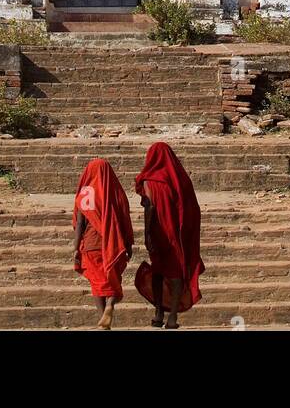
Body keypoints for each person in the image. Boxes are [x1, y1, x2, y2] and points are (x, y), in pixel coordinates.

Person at [135, 141, 204, 329]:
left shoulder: (149, 180)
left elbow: (150, 207)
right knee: (176, 272)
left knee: (158, 270)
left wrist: (147, 233)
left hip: (158, 232)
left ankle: (158, 312)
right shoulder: (179, 179)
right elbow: (192, 207)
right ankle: (172, 316)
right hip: (176, 233)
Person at [72, 157, 134, 329]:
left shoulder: (85, 193)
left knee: (96, 281)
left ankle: (102, 320)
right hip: (114, 243)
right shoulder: (116, 192)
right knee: (113, 278)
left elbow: (79, 223)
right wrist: (128, 243)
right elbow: (124, 219)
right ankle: (110, 304)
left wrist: (76, 247)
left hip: (91, 244)